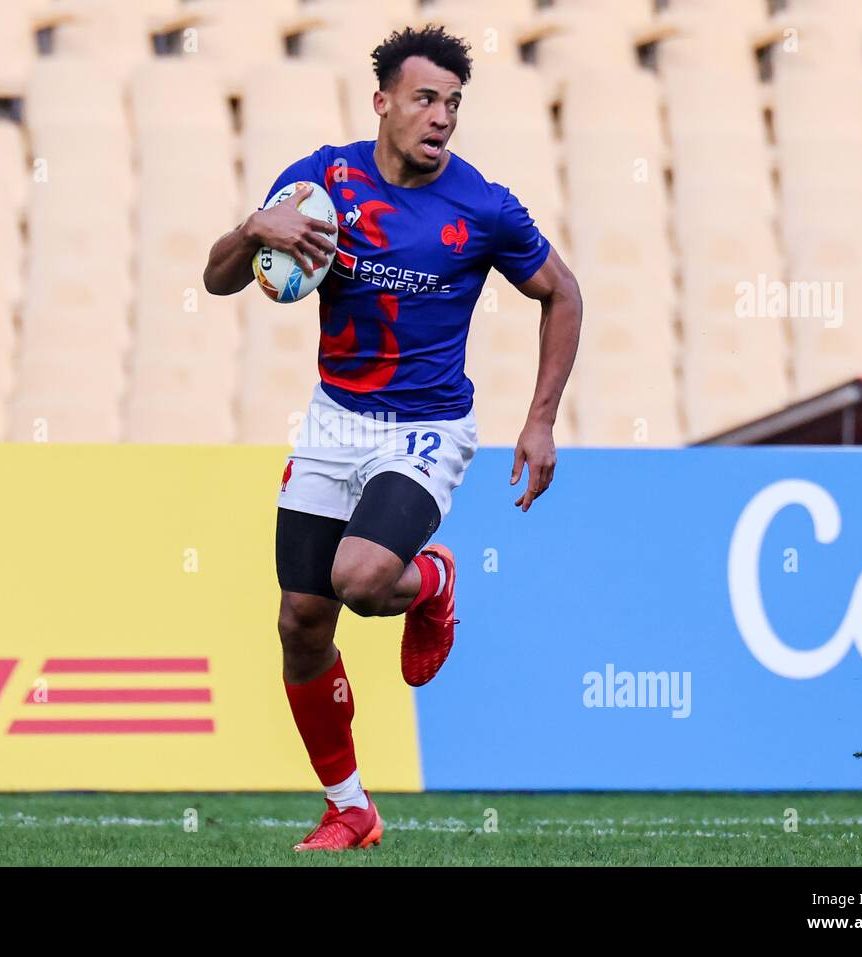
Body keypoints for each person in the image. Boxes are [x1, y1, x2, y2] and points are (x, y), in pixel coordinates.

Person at [203, 24, 582, 851]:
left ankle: (430, 582)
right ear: (382, 102)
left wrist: (542, 417)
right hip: (334, 419)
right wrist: (253, 229)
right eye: (424, 99)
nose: (441, 117)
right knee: (302, 620)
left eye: (452, 103)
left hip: (426, 428)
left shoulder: (481, 204)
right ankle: (351, 807)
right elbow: (221, 276)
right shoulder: (322, 182)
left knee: (362, 578)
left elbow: (563, 293)